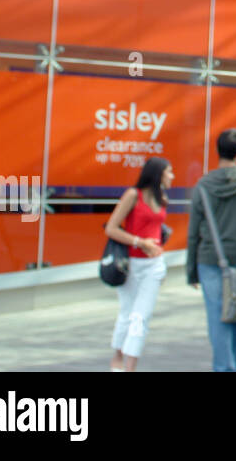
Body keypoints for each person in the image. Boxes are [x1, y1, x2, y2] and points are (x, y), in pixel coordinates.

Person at [187, 129, 236, 371]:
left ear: (216, 150)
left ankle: (223, 368)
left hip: (211, 259)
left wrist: (191, 271)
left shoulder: (203, 185)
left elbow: (193, 232)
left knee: (217, 318)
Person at [104, 158, 173, 371]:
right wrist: (139, 242)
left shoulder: (162, 198)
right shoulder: (133, 195)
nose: (172, 176)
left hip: (154, 265)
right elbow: (111, 228)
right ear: (158, 173)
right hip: (132, 264)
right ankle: (117, 357)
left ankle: (131, 366)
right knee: (127, 313)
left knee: (141, 317)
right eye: (169, 172)